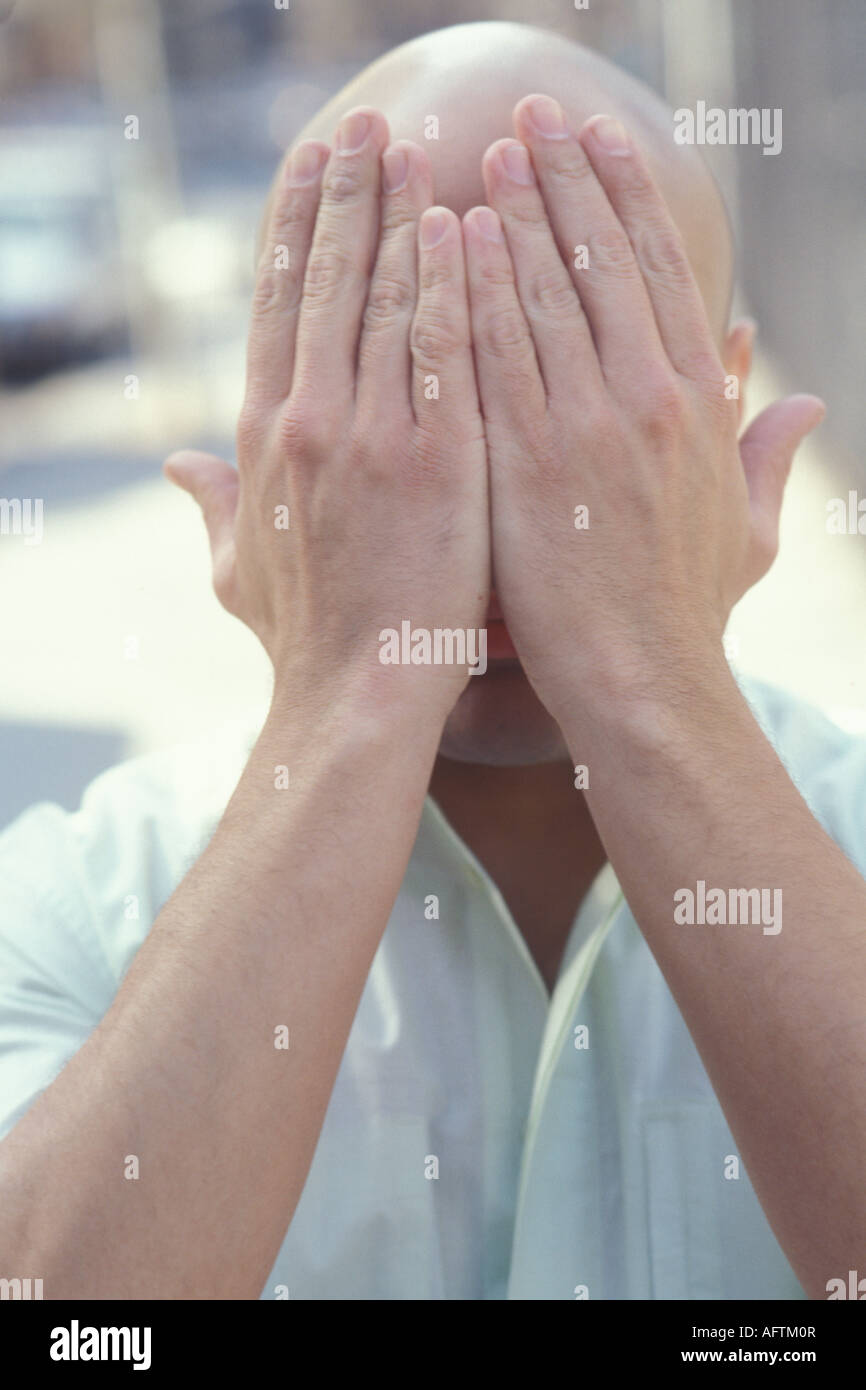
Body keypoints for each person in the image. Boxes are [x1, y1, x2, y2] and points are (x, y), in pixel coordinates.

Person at [1, 21, 864, 1301]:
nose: (484, 492)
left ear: (728, 424)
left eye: (580, 383)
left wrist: (641, 679)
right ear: (266, 442)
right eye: (393, 386)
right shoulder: (81, 902)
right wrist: (352, 695)